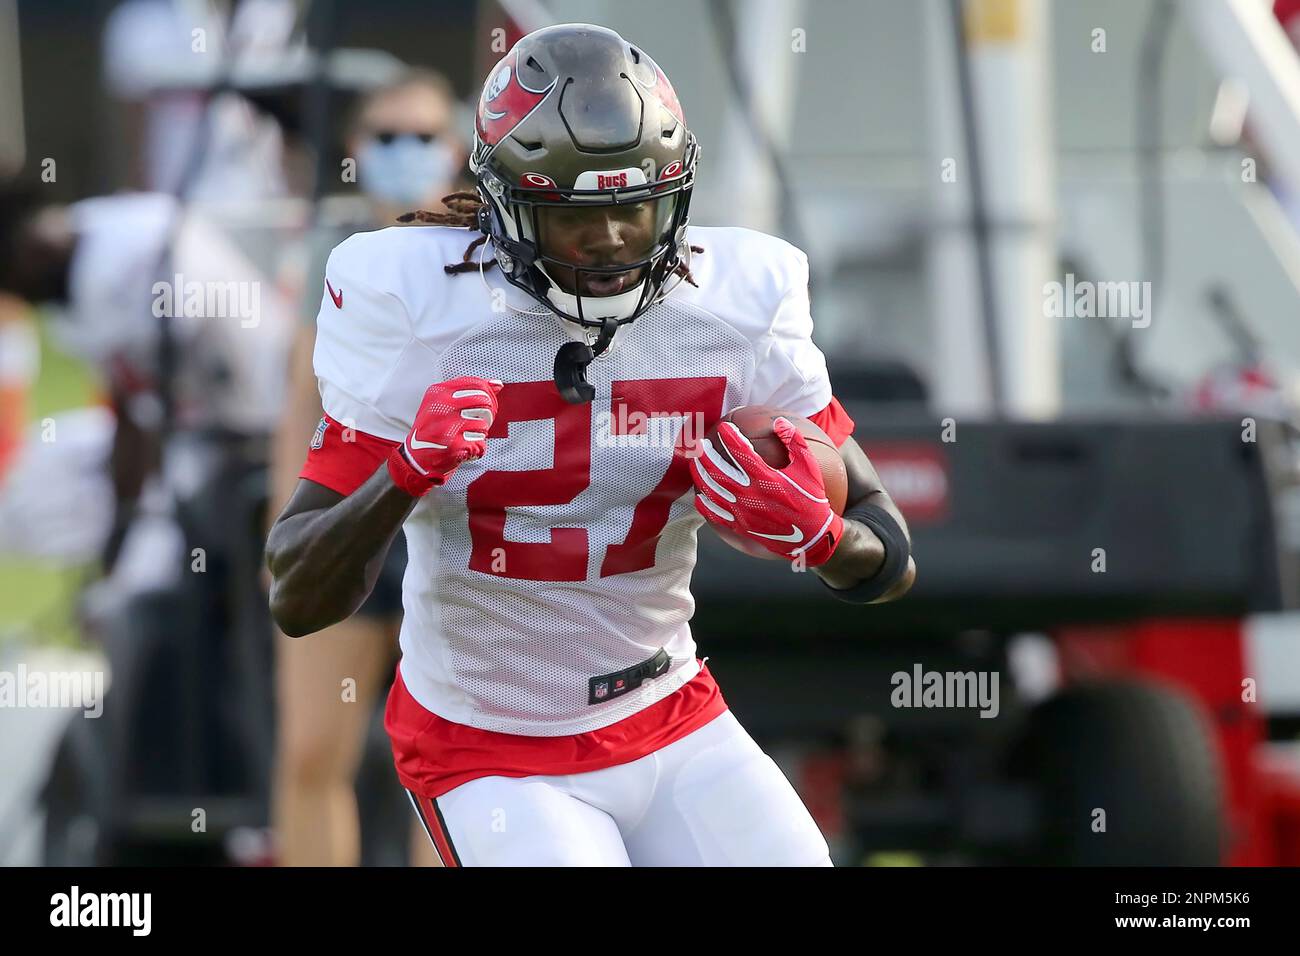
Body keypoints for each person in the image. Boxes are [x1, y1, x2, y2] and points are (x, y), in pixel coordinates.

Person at [266, 23, 915, 867]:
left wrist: (826, 540)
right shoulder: (421, 305)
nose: (612, 247)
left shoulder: (732, 306)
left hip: (672, 712)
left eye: (634, 211)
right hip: (489, 743)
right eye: (578, 221)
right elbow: (296, 595)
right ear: (506, 206)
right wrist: (404, 473)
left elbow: (891, 556)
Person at [269, 68, 466, 868]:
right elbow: (299, 405)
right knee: (314, 748)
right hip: (352, 510)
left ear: (454, 149)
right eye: (385, 137)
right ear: (354, 149)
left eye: (422, 136)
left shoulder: (481, 249)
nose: (404, 153)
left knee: (452, 758)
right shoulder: (333, 253)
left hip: (449, 526)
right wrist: (284, 533)